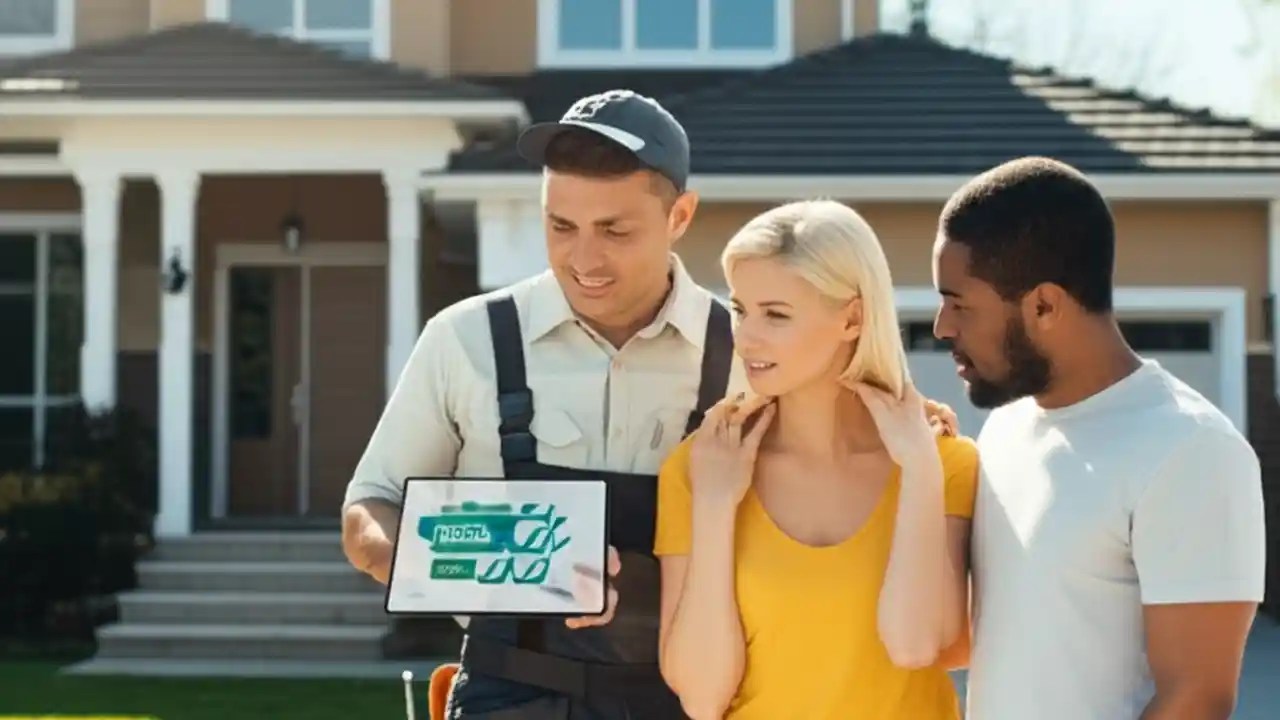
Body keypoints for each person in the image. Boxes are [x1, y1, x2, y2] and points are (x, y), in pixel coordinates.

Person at [341, 89, 737, 719]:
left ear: (680, 217)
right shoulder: (466, 338)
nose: (584, 260)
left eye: (614, 230)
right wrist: (492, 562)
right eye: (561, 227)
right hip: (506, 697)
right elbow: (368, 513)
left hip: (687, 701)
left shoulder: (746, 357)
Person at [932, 156, 1266, 720]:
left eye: (959, 304)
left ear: (1044, 304)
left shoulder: (1190, 449)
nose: (942, 327)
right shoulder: (1006, 431)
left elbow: (1197, 699)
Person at [654, 199, 978, 720]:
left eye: (775, 315)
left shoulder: (944, 463)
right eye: (741, 310)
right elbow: (702, 696)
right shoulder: (700, 468)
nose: (746, 337)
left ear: (851, 318)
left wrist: (919, 469)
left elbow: (915, 646)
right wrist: (716, 505)